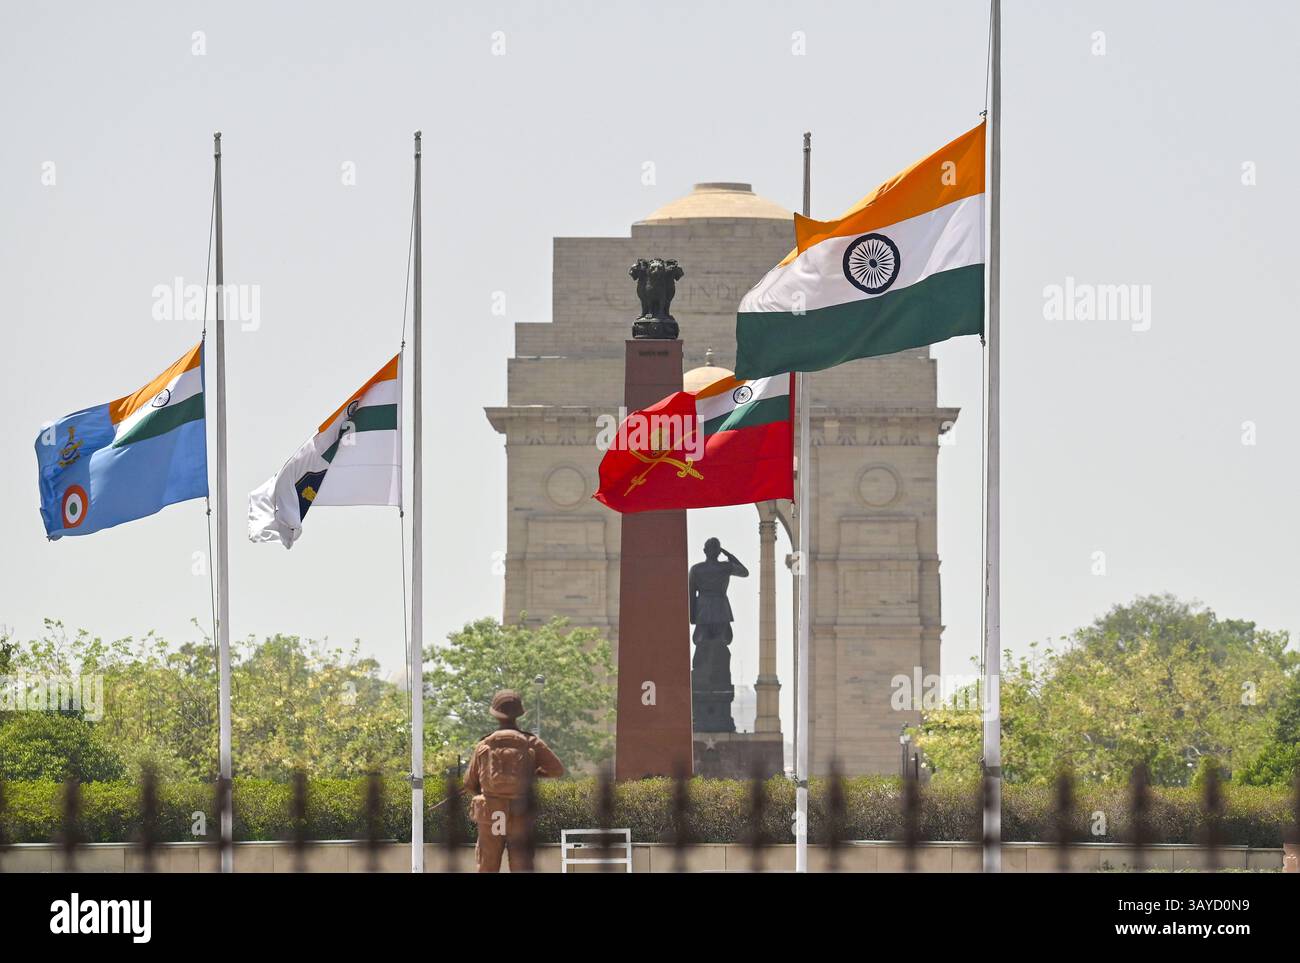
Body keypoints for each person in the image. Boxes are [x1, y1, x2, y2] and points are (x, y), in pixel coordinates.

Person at [462, 689, 565, 872]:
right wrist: (533, 774)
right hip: (521, 813)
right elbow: (557, 769)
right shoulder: (531, 742)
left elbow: (469, 782)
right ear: (519, 713)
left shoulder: (484, 745)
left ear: (495, 714)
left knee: (487, 866)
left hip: (491, 814)